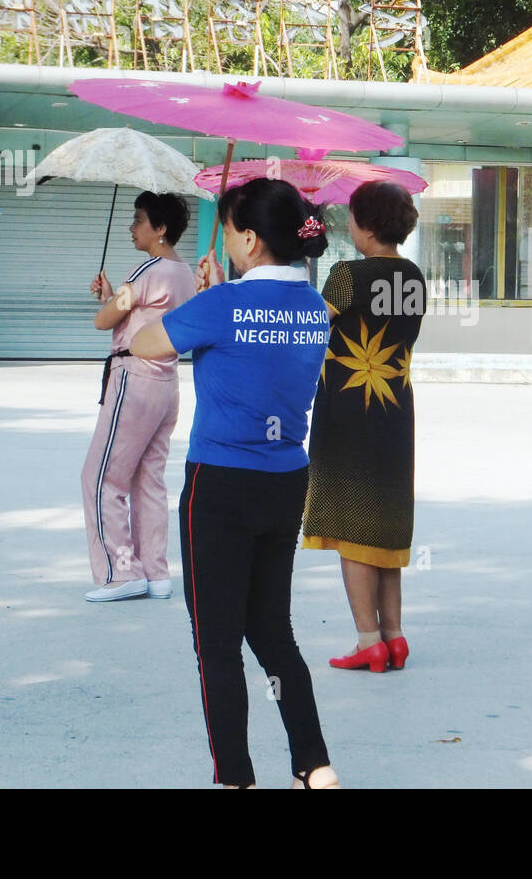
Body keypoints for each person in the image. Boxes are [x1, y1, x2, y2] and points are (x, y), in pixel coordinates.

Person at [129, 178, 338, 789]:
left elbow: (145, 344)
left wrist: (206, 303)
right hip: (286, 481)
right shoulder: (315, 308)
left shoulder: (221, 305)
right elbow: (262, 343)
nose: (222, 242)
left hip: (219, 486)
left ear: (248, 240)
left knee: (216, 643)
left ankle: (236, 778)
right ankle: (314, 766)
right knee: (273, 632)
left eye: (226, 231)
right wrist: (221, 299)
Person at [301, 181, 425, 673]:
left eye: (351, 217)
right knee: (386, 529)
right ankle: (394, 636)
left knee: (352, 526)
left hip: (349, 415)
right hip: (396, 412)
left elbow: (310, 326)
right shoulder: (413, 276)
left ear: (367, 226)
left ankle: (368, 640)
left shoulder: (348, 274)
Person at [81, 192, 196, 602]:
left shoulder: (148, 269)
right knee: (149, 478)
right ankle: (156, 572)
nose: (132, 228)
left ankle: (120, 572)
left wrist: (111, 301)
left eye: (139, 220)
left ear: (160, 229)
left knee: (101, 478)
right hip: (166, 383)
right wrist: (114, 296)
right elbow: (133, 312)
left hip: (134, 379)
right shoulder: (184, 272)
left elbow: (104, 320)